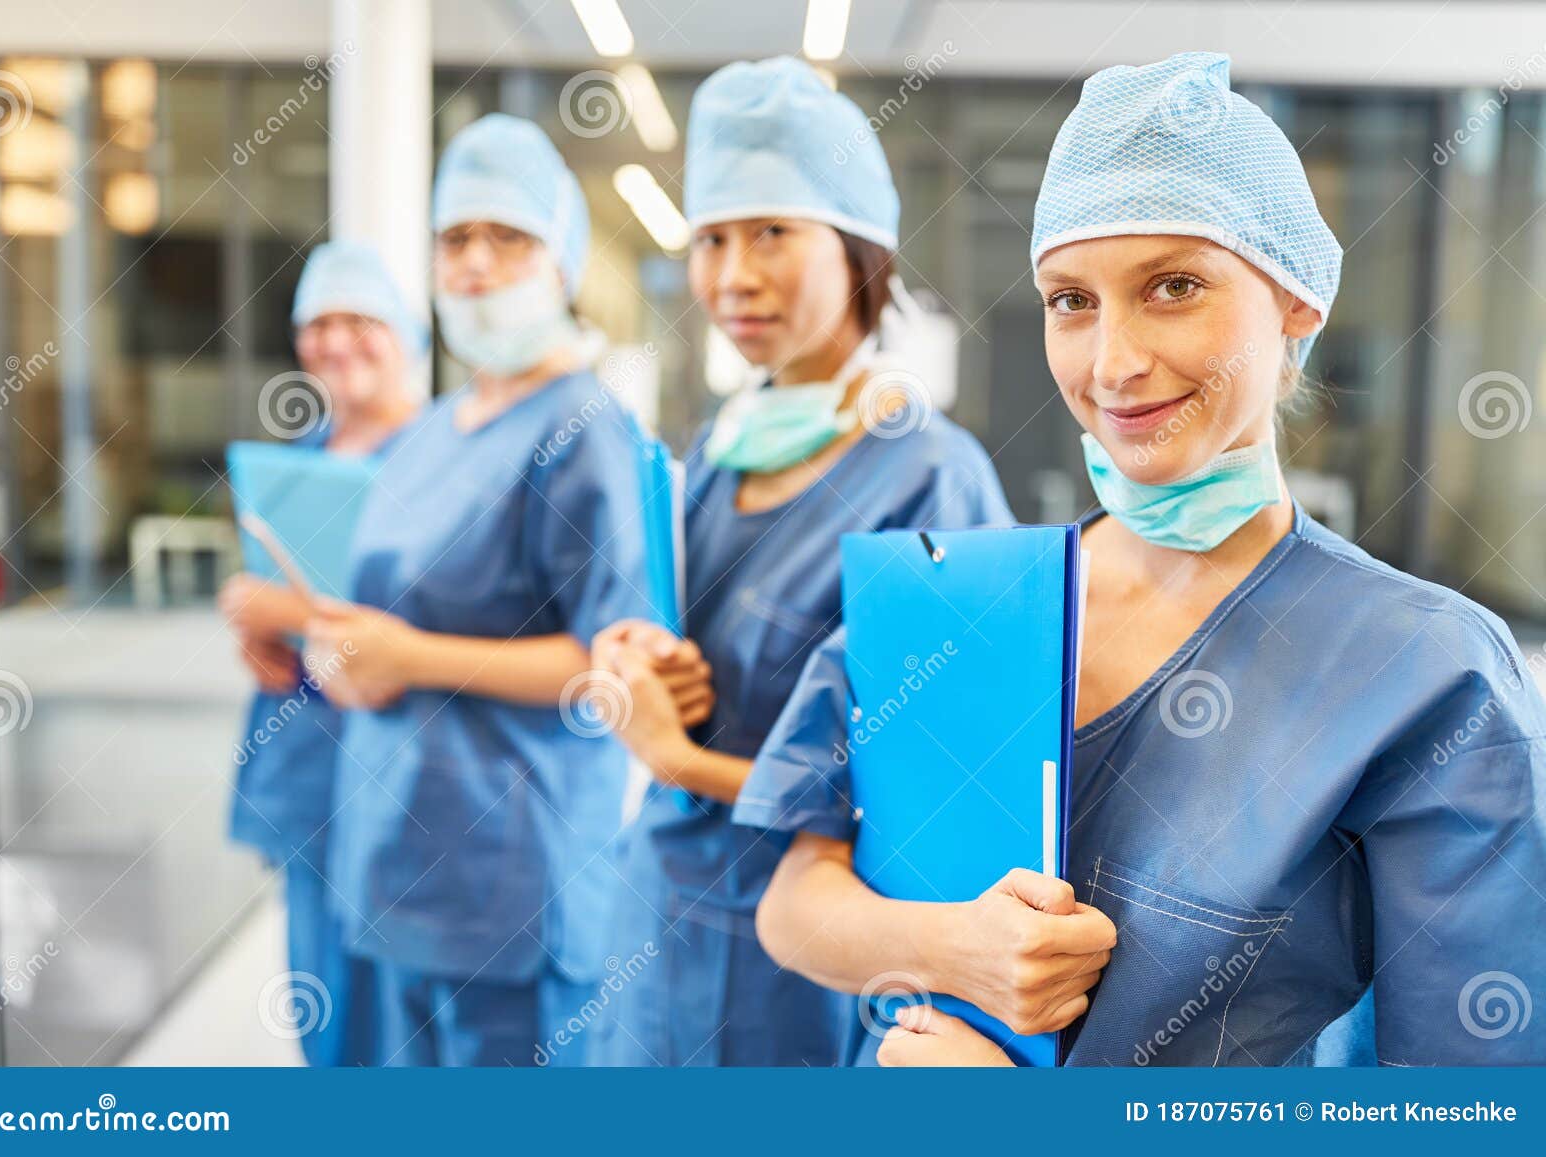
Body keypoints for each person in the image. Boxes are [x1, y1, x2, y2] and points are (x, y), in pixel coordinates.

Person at [737, 51, 1546, 1067]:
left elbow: (1466, 1106)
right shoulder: (952, 595)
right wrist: (951, 949)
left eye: (1173, 285)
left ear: (1296, 302)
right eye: (1070, 299)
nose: (1112, 361)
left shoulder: (1423, 669)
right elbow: (794, 896)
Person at [587, 56, 1015, 1067]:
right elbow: (668, 635)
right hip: (662, 914)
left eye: (773, 231)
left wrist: (681, 758)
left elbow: (937, 796)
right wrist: (632, 658)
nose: (733, 275)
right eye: (714, 238)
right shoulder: (717, 456)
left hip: (811, 960)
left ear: (858, 246)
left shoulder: (932, 483)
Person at [305, 114, 653, 1067]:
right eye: (456, 238)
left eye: (509, 238)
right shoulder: (429, 431)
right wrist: (326, 650)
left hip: (513, 872)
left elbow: (610, 658)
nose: (476, 263)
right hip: (390, 849)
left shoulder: (585, 429)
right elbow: (370, 606)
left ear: (562, 264)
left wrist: (410, 658)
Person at [220, 240, 424, 1066]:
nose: (335, 342)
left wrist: (286, 608)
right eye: (317, 324)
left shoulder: (445, 457)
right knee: (327, 1007)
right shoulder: (297, 465)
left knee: (410, 1016)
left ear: (405, 330)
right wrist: (252, 622)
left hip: (412, 770)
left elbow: (450, 618)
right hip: (308, 766)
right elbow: (279, 596)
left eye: (358, 320)